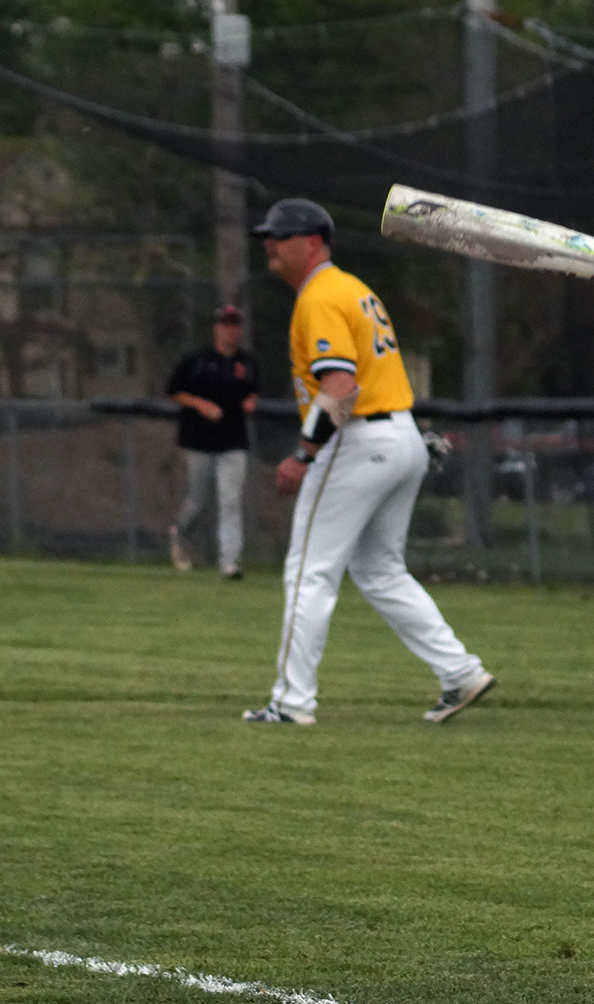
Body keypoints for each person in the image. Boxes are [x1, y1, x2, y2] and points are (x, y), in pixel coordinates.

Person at [242, 198, 495, 725]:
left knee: (309, 571)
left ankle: (291, 703)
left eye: (281, 235)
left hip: (357, 440)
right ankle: (460, 673)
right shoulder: (353, 289)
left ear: (312, 242)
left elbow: (340, 386)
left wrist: (302, 453)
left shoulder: (321, 296)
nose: (270, 243)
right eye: (268, 234)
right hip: (401, 437)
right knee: (379, 570)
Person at [165, 304, 260, 579]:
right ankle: (180, 532)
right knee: (198, 500)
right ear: (216, 328)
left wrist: (251, 402)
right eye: (225, 324)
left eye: (235, 325)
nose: (231, 330)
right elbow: (173, 392)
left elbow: (252, 392)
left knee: (230, 501)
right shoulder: (197, 360)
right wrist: (200, 404)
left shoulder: (247, 362)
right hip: (199, 440)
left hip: (233, 440)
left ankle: (229, 563)